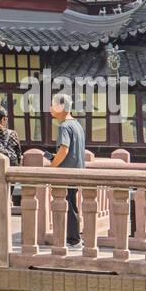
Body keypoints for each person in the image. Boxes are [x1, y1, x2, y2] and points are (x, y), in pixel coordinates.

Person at [50, 94, 86, 247]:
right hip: (77, 171)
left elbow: (64, 150)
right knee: (72, 204)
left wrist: (52, 166)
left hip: (66, 172)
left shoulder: (64, 126)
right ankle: (74, 237)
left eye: (53, 104)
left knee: (69, 206)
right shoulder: (77, 125)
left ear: (60, 107)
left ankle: (74, 239)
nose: (51, 108)